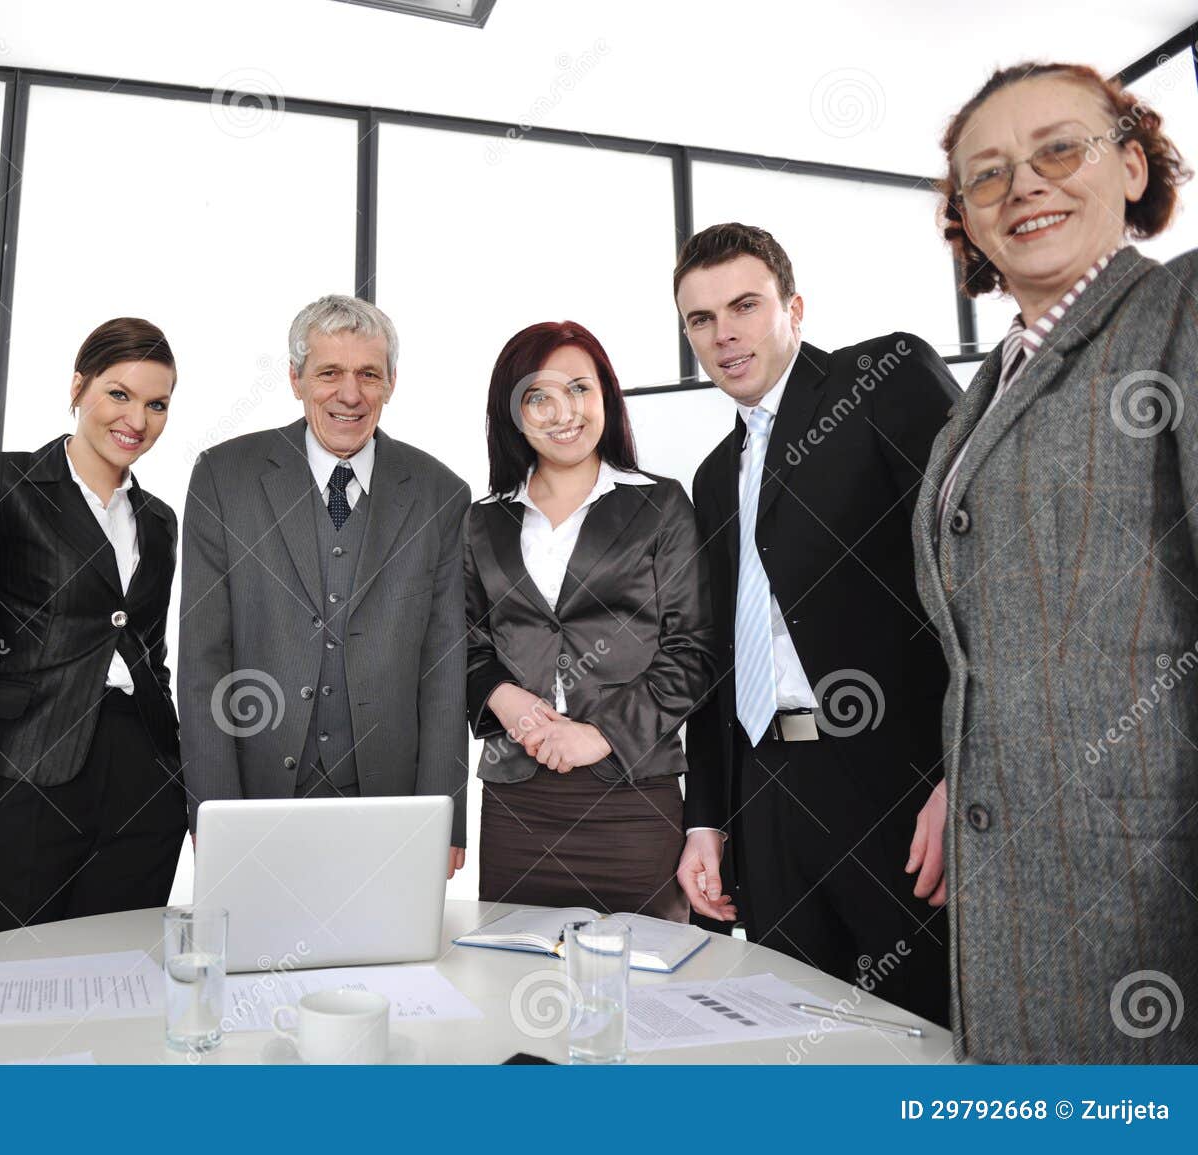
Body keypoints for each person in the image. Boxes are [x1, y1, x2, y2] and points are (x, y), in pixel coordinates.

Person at [915, 61, 1197, 1062]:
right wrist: (964, 768)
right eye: (986, 176)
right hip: (1011, 889)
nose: (1022, 186)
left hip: (1143, 898)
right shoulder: (979, 396)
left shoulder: (1181, 309)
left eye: (1056, 150)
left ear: (1130, 165)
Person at [673, 222, 957, 1026]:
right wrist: (707, 820)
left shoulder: (883, 378)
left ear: (793, 307)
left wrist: (961, 770)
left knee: (916, 1026)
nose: (723, 333)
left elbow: (981, 570)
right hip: (767, 795)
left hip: (894, 785)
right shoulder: (712, 473)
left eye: (744, 305)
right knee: (795, 1023)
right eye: (700, 319)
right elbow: (721, 657)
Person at [179, 295, 470, 866]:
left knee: (392, 953)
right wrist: (210, 808)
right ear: (294, 378)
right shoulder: (223, 475)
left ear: (391, 383)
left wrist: (447, 815)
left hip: (393, 807)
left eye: (368, 374)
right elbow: (202, 657)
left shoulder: (441, 493)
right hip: (257, 797)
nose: (350, 394)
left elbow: (445, 670)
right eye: (329, 372)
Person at [0, 319, 186, 944]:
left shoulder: (159, 521)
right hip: (17, 769)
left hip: (140, 778)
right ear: (78, 386)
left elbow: (151, 652)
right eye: (119, 394)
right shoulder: (0, 483)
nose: (138, 420)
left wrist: (171, 769)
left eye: (157, 404)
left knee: (112, 985)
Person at [464, 321, 713, 919]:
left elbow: (694, 651)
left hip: (634, 799)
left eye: (579, 388)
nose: (563, 412)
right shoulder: (481, 521)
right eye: (538, 397)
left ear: (606, 396)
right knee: (515, 987)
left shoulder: (661, 505)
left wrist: (596, 735)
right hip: (516, 806)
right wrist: (505, 700)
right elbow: (459, 647)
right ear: (513, 414)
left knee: (647, 993)